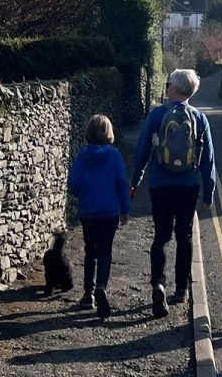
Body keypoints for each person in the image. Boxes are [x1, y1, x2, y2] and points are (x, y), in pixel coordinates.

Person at [131, 67, 216, 318]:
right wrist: (208, 192)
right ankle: (181, 290)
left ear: (175, 89)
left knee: (161, 236)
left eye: (169, 84)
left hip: (160, 184)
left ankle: (158, 282)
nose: (167, 87)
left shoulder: (157, 115)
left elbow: (141, 150)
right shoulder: (199, 119)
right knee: (185, 236)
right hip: (188, 186)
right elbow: (208, 160)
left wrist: (135, 180)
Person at [68, 113, 131, 319]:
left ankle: (88, 294)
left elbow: (74, 186)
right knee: (105, 252)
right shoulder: (114, 155)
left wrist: (83, 192)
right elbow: (122, 183)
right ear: (108, 133)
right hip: (109, 212)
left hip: (88, 212)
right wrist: (125, 209)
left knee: (90, 251)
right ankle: (101, 286)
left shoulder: (81, 156)